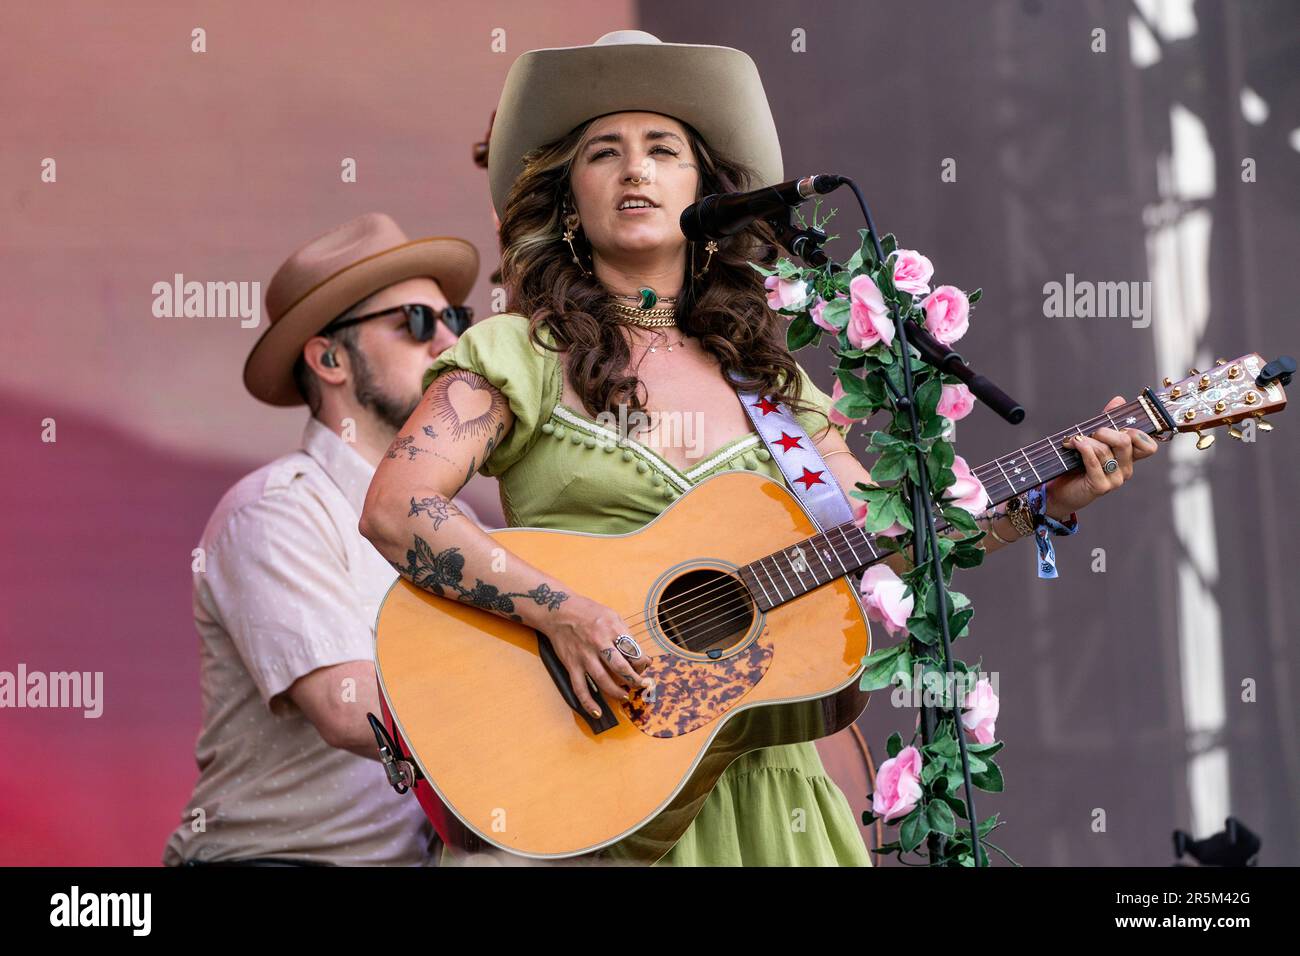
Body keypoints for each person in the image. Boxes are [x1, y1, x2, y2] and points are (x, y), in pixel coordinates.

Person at [359, 32, 1158, 866]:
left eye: (663, 150)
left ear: (706, 193)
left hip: (771, 802)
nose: (636, 170)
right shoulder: (513, 352)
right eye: (605, 153)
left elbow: (890, 541)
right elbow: (395, 510)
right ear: (571, 201)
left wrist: (1042, 502)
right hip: (595, 778)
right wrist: (565, 613)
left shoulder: (770, 384)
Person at [164, 213, 487, 866]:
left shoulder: (467, 527)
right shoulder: (275, 511)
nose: (448, 343)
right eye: (418, 323)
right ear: (330, 359)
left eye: (457, 318)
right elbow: (349, 709)